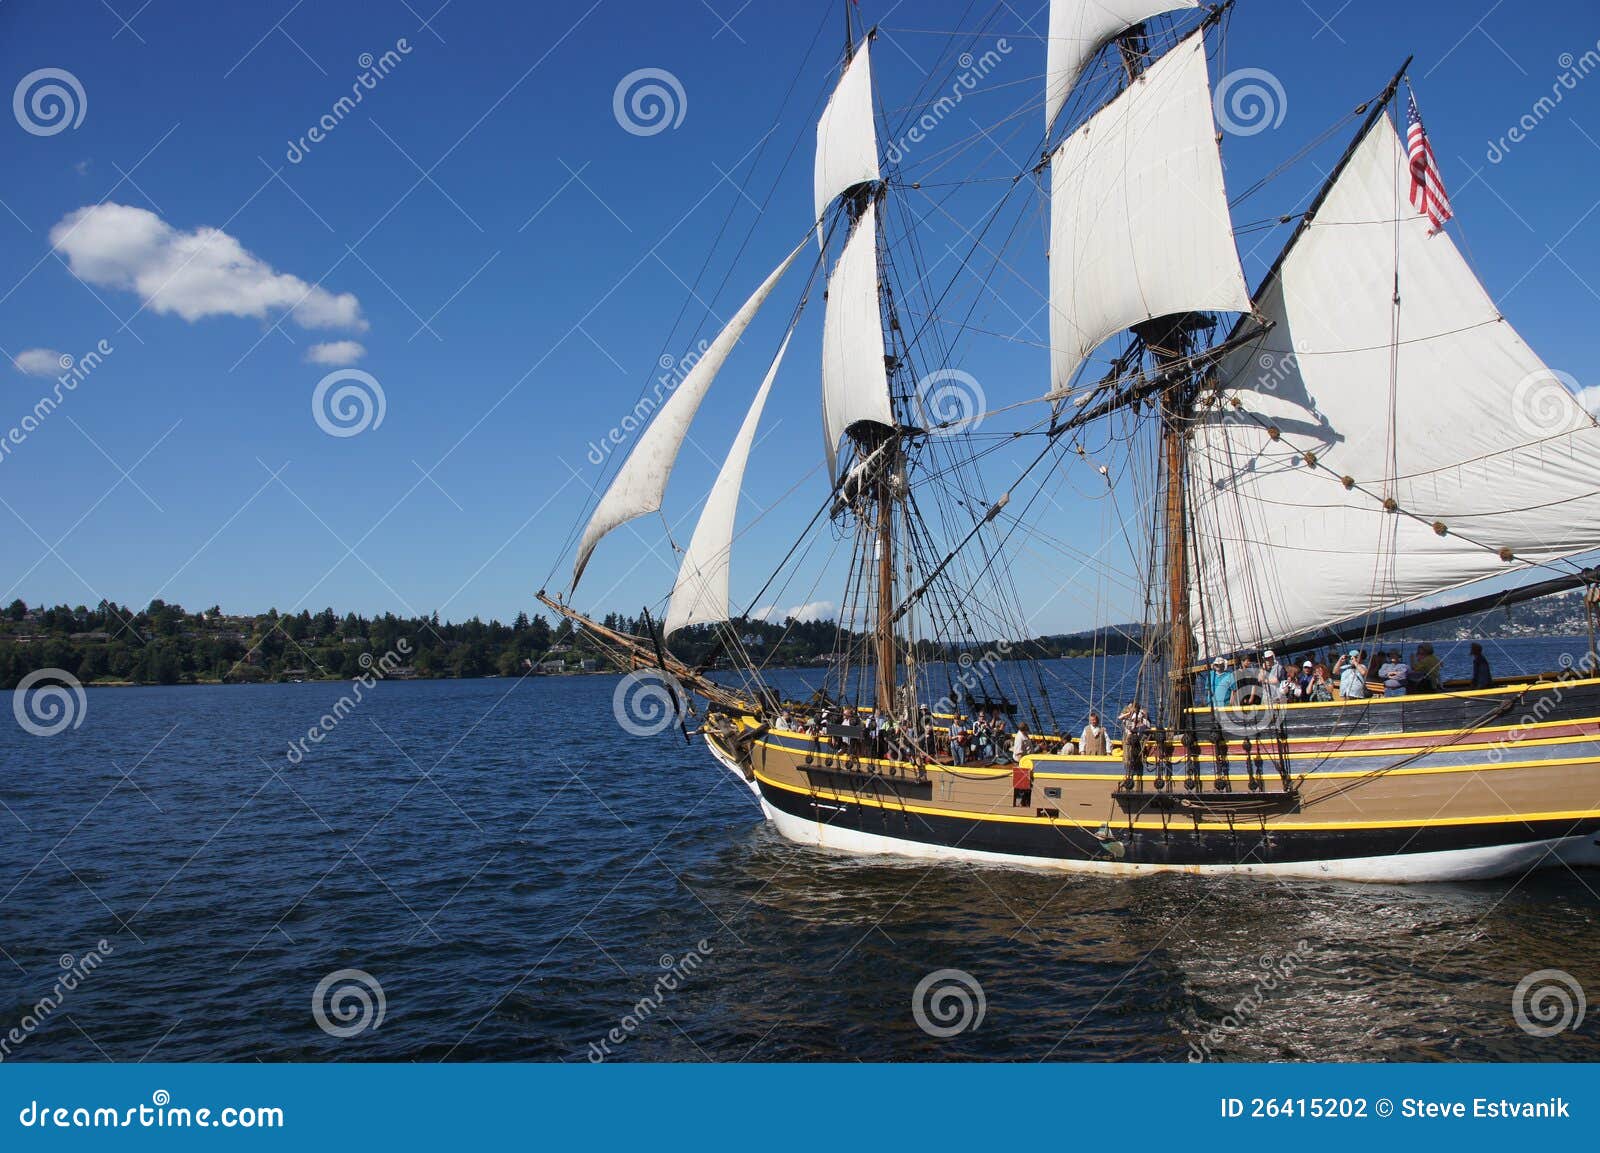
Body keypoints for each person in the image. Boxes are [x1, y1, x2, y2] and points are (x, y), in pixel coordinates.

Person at [1011, 725, 1033, 806]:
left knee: (1027, 784)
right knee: (1023, 784)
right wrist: (1023, 766)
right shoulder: (1019, 738)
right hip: (1021, 763)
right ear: (1024, 730)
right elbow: (1019, 753)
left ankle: (1024, 801)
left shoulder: (1024, 735)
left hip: (1027, 761)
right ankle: (1021, 802)